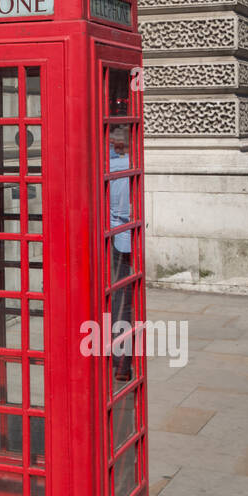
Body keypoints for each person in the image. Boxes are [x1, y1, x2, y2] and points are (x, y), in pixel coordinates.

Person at [109, 125, 133, 383]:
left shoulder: (112, 167)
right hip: (131, 238)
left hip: (113, 239)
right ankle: (124, 363)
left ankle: (119, 359)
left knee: (118, 302)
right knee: (127, 302)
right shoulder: (134, 165)